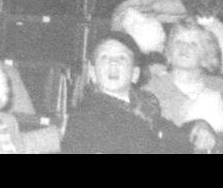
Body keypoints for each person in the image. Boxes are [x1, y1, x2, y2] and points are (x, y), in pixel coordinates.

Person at [61, 34, 197, 154]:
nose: (113, 62)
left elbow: (179, 139)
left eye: (122, 58)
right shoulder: (84, 116)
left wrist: (198, 126)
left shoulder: (148, 108)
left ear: (135, 74)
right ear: (92, 73)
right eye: (104, 57)